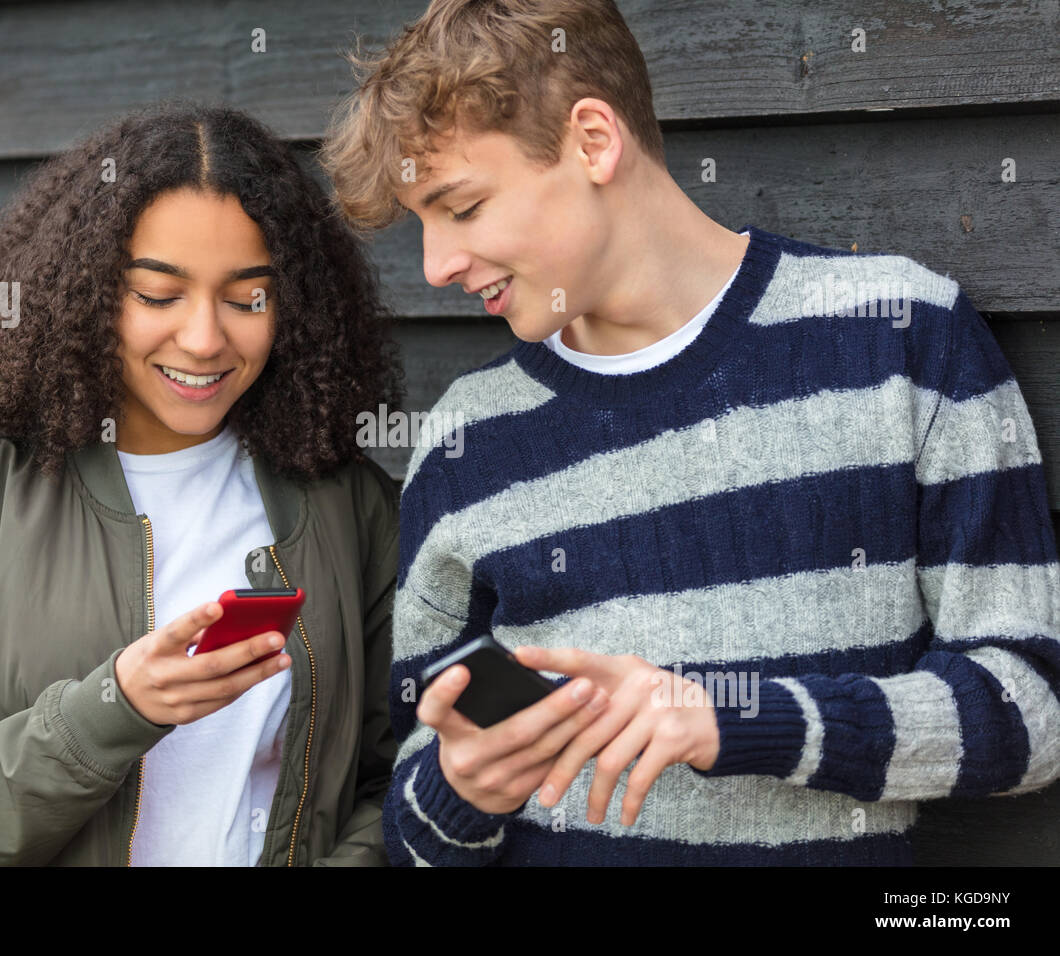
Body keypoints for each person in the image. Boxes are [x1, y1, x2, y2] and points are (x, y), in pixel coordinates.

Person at [317, 0, 1060, 865]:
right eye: (423, 226)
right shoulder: (465, 441)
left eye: (464, 207)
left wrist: (735, 717)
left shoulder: (899, 338)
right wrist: (463, 785)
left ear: (593, 140)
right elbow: (415, 811)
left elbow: (1028, 714)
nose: (437, 265)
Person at [0, 102, 404, 866]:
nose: (204, 337)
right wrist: (112, 710)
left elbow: (393, 783)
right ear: (87, 296)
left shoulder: (348, 503)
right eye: (159, 295)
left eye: (247, 296)